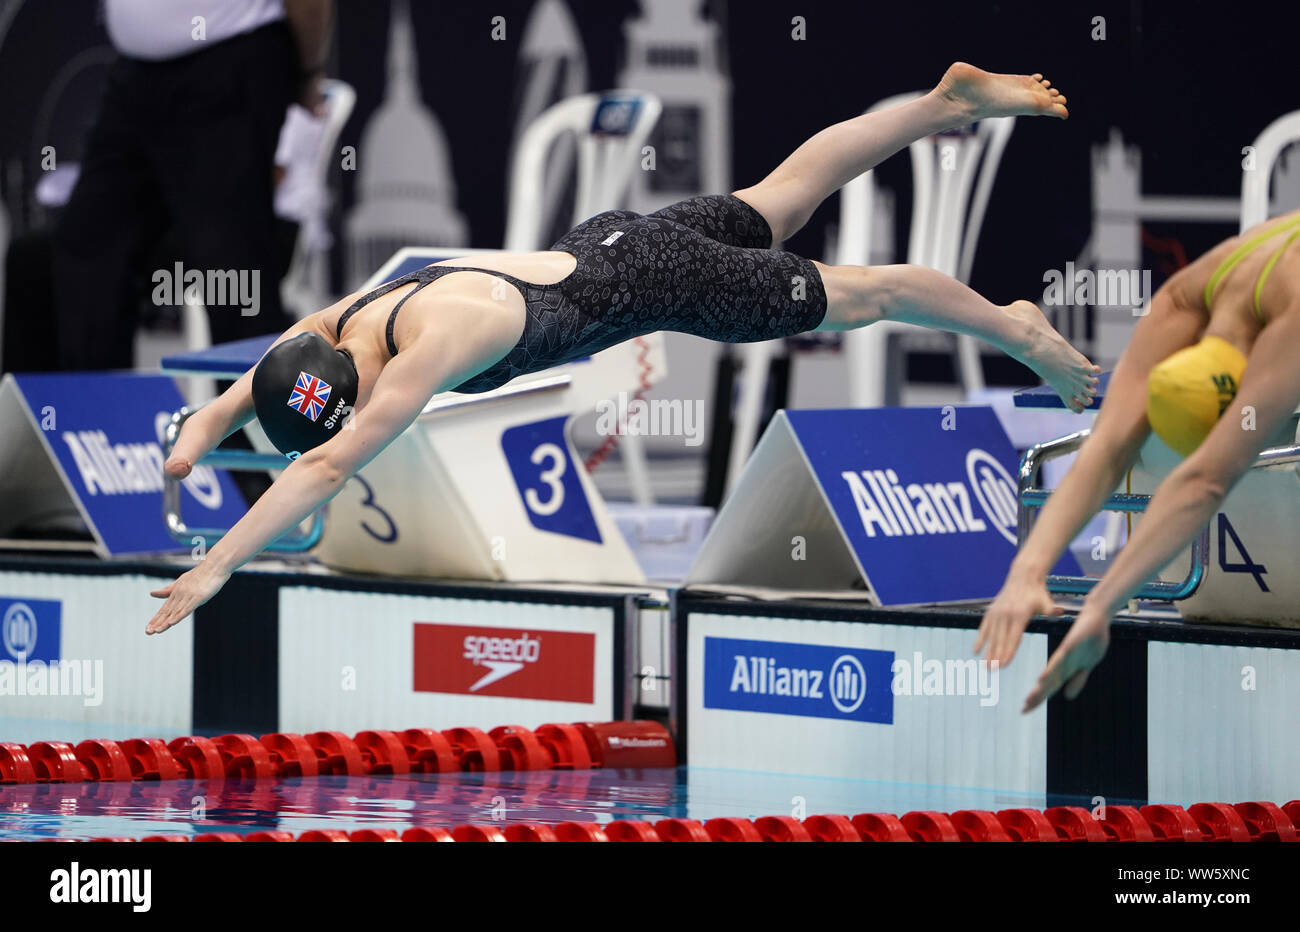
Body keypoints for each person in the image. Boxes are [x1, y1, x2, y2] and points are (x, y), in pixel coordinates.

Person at [146, 62, 1098, 635]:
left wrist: (220, 563)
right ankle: (939, 104)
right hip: (611, 237)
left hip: (654, 282)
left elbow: (321, 467)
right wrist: (197, 437)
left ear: (353, 387)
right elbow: (264, 377)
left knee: (871, 294)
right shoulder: (341, 323)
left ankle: (1017, 327)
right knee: (791, 191)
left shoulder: (423, 354)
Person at [977, 208, 1300, 712]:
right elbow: (1106, 450)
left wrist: (1102, 604)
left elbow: (1206, 481)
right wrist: (1027, 571)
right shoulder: (1177, 302)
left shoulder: (1291, 310)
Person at [52, 0, 332, 370]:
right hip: (134, 75)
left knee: (231, 275)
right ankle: (97, 418)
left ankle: (249, 425)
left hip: (229, 62)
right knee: (89, 248)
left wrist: (308, 72)